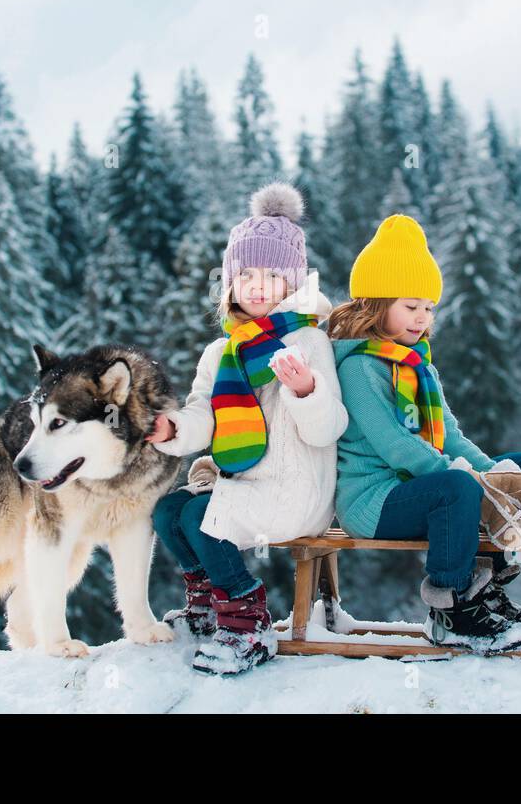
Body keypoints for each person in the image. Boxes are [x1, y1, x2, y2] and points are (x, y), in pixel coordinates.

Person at [146, 183, 347, 675]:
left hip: (298, 489)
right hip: (246, 482)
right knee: (170, 510)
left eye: (273, 275)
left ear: (293, 282)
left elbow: (328, 430)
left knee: (202, 518)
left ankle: (247, 622)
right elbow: (203, 415)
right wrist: (173, 428)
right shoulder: (222, 352)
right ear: (230, 281)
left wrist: (305, 390)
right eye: (246, 274)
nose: (257, 285)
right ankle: (208, 602)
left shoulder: (307, 339)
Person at [328, 213, 521, 651]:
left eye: (428, 308)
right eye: (411, 306)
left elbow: (450, 434)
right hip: (373, 500)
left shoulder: (418, 367)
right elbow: (395, 447)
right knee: (456, 488)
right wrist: (468, 479)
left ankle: (485, 589)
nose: (422, 318)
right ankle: (451, 609)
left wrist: (495, 475)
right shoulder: (358, 367)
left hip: (423, 486)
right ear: (375, 303)